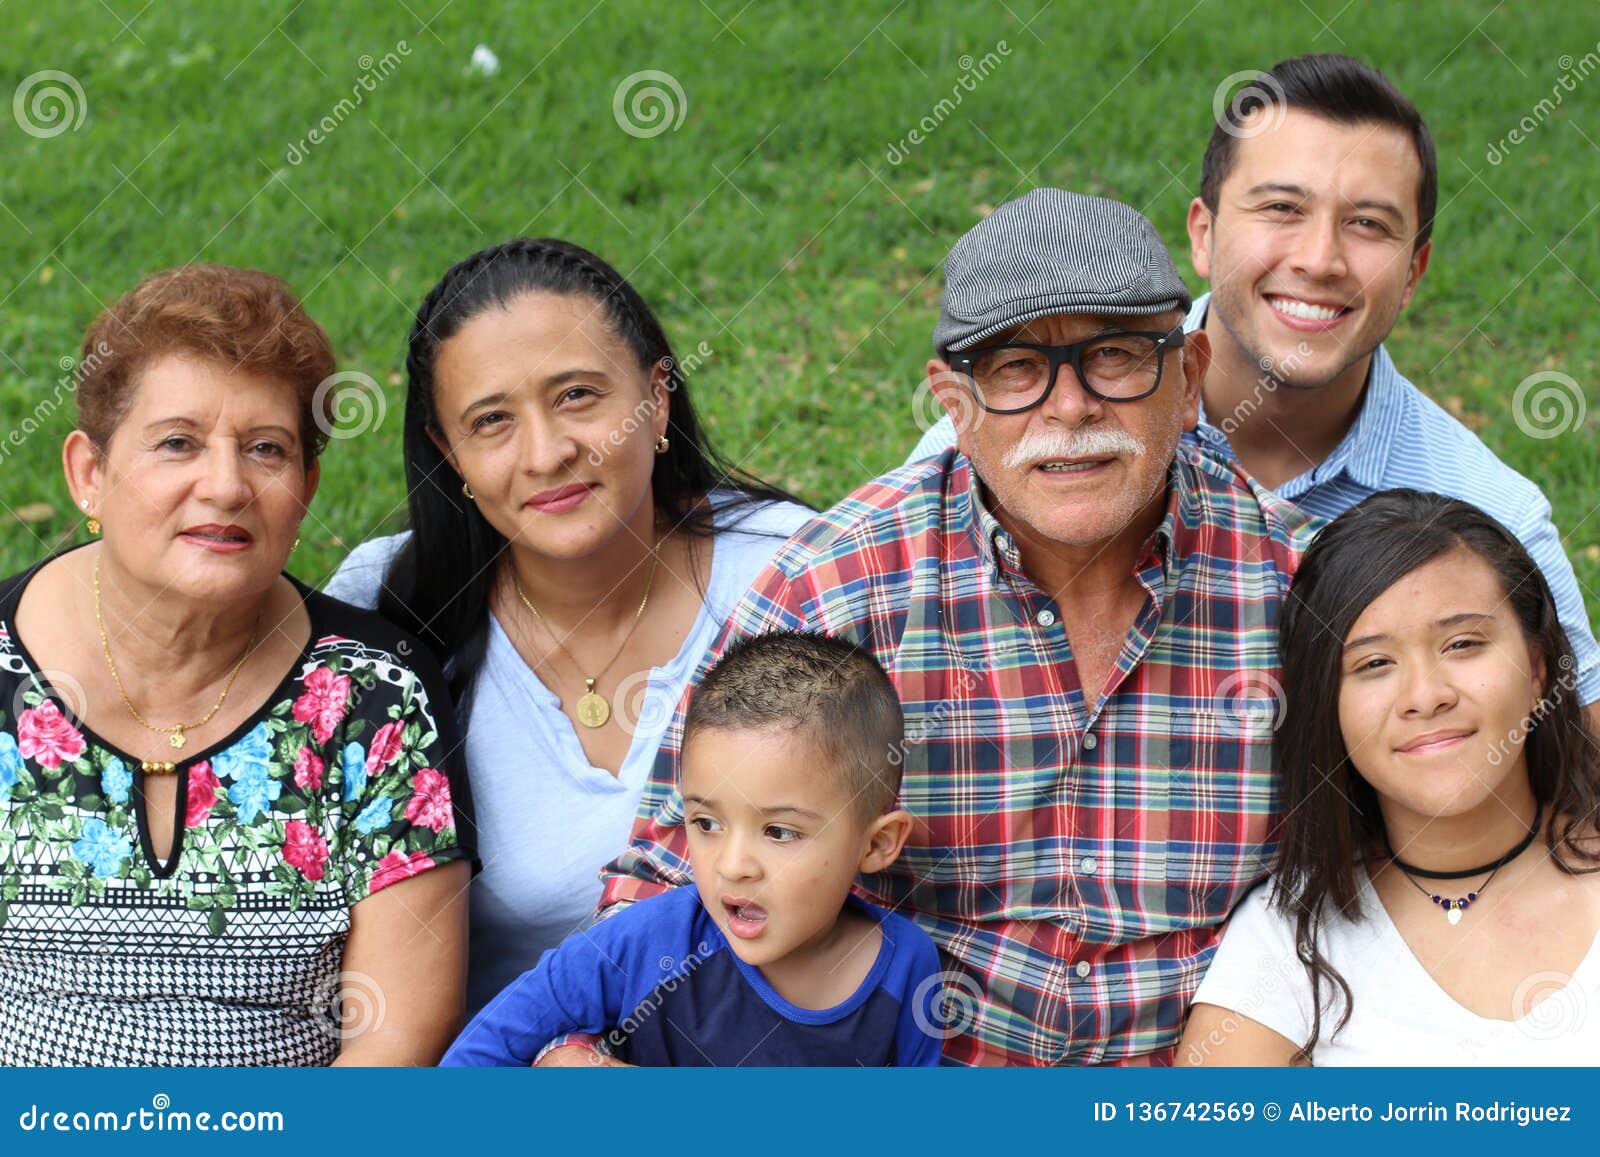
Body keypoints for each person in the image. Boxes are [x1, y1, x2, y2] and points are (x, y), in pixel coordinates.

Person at [540, 189, 1319, 1067]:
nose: (1070, 408)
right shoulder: (837, 583)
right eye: (1017, 368)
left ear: (1188, 378)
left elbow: (1402, 882)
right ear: (952, 399)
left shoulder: (1302, 587)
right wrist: (583, 1049)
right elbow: (677, 870)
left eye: (1114, 355)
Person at [906, 54, 1600, 716]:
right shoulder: (1021, 435)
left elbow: (1581, 761)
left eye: (1368, 224)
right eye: (1281, 209)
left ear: (1414, 272)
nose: (1320, 259)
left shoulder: (1487, 513)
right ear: (1203, 235)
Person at [325, 238, 813, 1019]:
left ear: (656, 398)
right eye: (491, 420)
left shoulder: (793, 579)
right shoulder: (387, 607)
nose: (547, 452)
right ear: (449, 454)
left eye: (578, 395)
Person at [0, 264, 474, 1065]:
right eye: (177, 442)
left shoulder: (375, 696)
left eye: (266, 450)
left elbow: (396, 1043)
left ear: (306, 486)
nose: (225, 486)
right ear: (89, 473)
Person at [1179, 490, 1600, 1065]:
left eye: (1463, 644)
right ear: (1328, 706)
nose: (1426, 696)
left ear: (1536, 671)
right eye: (1374, 664)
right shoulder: (1287, 942)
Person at [440, 631, 942, 1066]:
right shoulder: (642, 945)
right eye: (705, 822)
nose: (732, 866)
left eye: (780, 832)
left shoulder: (904, 968)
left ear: (875, 844)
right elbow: (481, 1053)